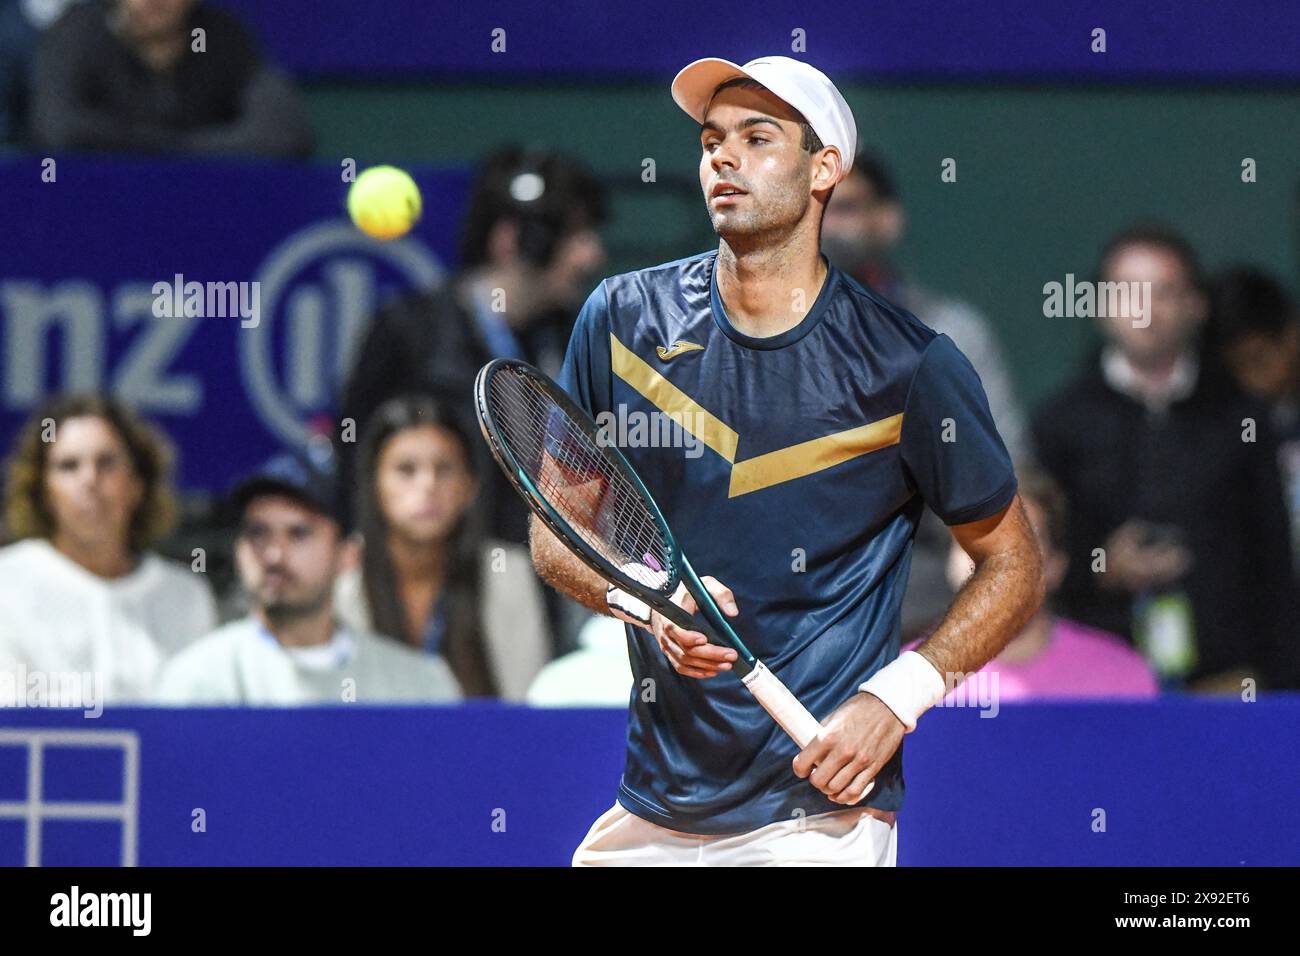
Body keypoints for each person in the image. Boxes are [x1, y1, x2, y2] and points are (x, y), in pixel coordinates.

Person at [533, 55, 1044, 866]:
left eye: (757, 138)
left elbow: (1012, 562)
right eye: (711, 141)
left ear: (824, 169)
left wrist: (897, 697)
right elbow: (556, 532)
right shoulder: (621, 319)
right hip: (652, 808)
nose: (722, 159)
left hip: (820, 820)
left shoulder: (910, 366)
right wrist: (645, 602)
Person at [1032, 226, 1298, 691]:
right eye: (1126, 292)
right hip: (1098, 680)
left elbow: (1272, 560)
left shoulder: (1241, 418)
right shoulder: (1061, 422)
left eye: (1163, 292)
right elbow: (1035, 559)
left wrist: (1281, 684)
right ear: (1098, 305)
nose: (1144, 310)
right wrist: (1102, 565)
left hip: (1227, 680)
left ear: (1197, 306)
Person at [338, 146, 609, 548]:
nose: (593, 255)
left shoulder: (567, 341)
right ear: (512, 239)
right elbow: (353, 461)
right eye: (576, 236)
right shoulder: (409, 330)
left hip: (529, 586)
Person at [822, 148, 1028, 639]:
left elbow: (1008, 471)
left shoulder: (950, 330)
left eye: (846, 207)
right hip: (783, 589)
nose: (828, 224)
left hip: (922, 583)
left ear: (886, 220)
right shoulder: (755, 331)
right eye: (817, 206)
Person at [155, 444, 461, 704]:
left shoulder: (421, 687)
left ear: (347, 555)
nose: (274, 554)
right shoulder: (194, 682)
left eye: (299, 533)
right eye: (258, 533)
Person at [0, 393, 217, 703]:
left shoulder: (187, 596)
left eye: (107, 463)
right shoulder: (5, 585)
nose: (89, 480)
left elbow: (199, 724)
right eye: (68, 466)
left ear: (137, 485)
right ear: (43, 491)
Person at [332, 395, 551, 700]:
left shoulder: (506, 572)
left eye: (444, 468)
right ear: (373, 484)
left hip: (487, 744)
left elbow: (525, 706)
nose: (427, 485)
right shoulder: (340, 574)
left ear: (470, 487)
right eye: (406, 470)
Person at [930, 467, 1158, 699]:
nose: (993, 564)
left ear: (1056, 565)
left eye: (1019, 546)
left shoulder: (1122, 679)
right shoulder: (907, 687)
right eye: (972, 543)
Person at [29, 0, 312, 157]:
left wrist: (176, 151)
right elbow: (60, 129)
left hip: (199, 212)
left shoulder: (224, 37)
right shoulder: (77, 32)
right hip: (91, 211)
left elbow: (285, 135)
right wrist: (172, 148)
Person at [1206, 267, 1300, 571]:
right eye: (1236, 368)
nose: (1250, 379)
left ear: (1292, 336)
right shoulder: (1232, 424)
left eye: (1258, 360)